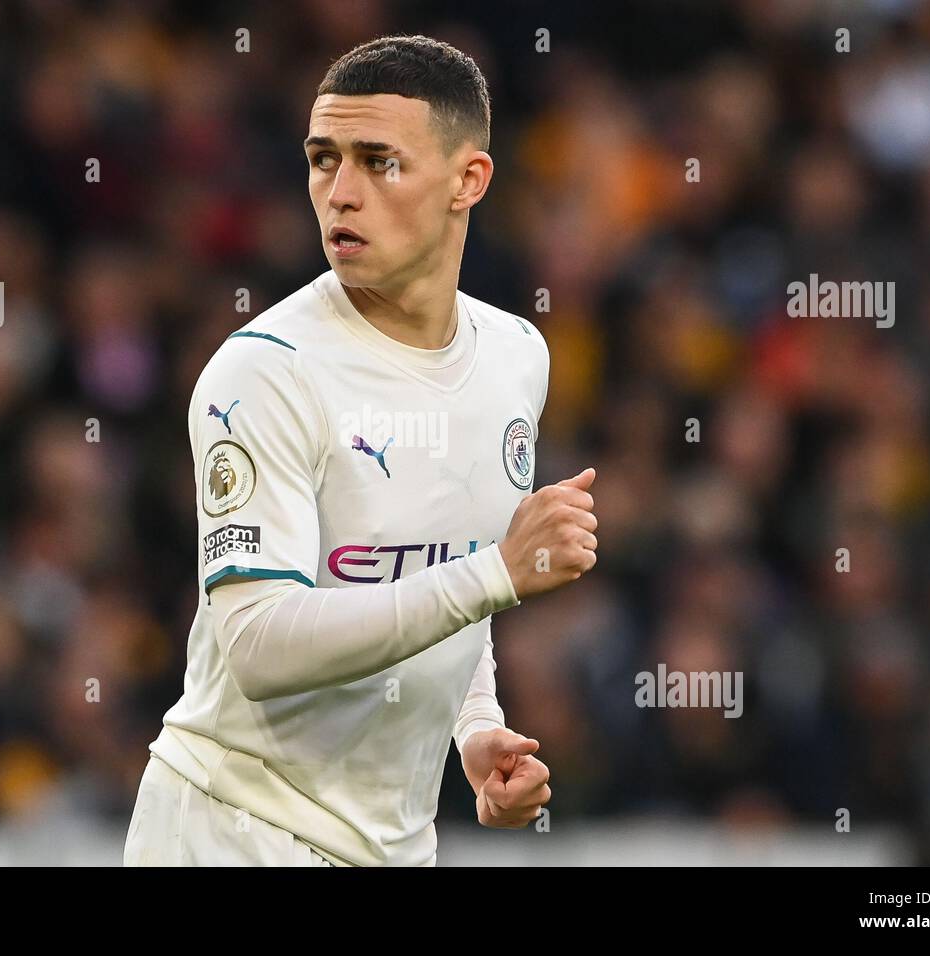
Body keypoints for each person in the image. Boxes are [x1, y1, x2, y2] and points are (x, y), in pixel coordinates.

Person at [125, 34, 597, 867]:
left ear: (468, 181)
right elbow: (260, 643)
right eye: (322, 159)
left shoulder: (518, 354)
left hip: (394, 848)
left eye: (380, 162)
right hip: (232, 831)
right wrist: (496, 576)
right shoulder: (266, 373)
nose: (340, 193)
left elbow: (441, 562)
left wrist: (476, 725)